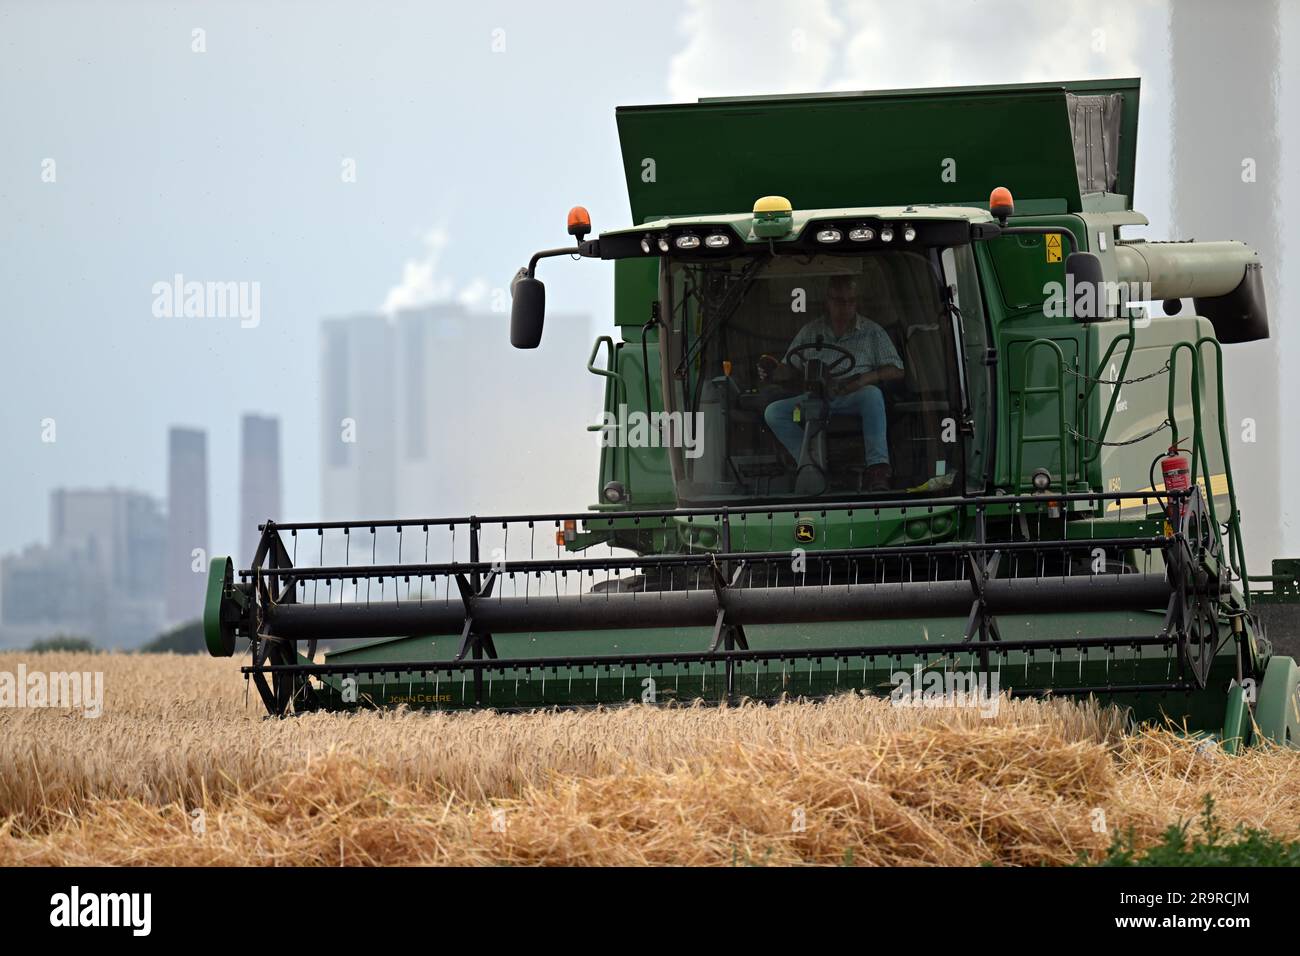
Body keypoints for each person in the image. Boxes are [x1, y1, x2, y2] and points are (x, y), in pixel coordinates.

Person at [760, 274, 904, 491]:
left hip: (854, 395)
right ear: (828, 301)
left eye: (850, 301)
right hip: (816, 398)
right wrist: (771, 369)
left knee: (873, 394)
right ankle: (810, 462)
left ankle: (877, 469)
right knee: (774, 412)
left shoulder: (871, 332)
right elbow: (789, 367)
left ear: (856, 302)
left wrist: (865, 379)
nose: (844, 306)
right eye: (838, 300)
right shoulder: (811, 331)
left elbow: (897, 370)